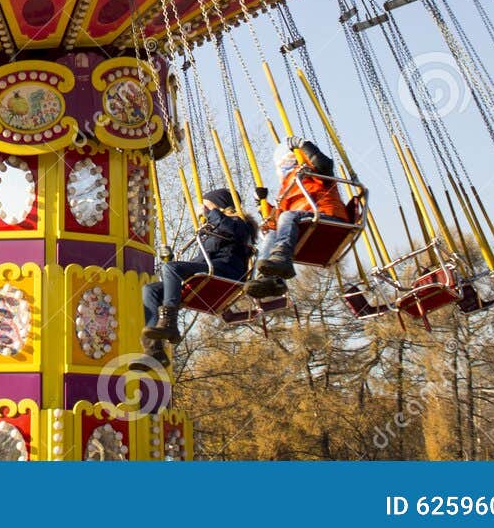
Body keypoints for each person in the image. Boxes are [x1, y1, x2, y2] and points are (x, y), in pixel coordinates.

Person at [139, 188, 255, 368]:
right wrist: (173, 264)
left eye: (207, 204)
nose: (203, 209)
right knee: (151, 289)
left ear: (219, 205)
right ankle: (155, 349)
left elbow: (230, 231)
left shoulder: (239, 223)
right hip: (211, 269)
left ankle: (169, 320)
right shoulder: (215, 227)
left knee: (171, 269)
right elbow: (201, 259)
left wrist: (212, 212)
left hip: (226, 271)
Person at [246, 137, 348, 298]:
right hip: (303, 223)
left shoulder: (311, 172)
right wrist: (262, 205)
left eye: (286, 161)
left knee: (288, 216)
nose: (283, 166)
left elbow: (325, 165)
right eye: (281, 164)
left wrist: (304, 145)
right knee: (272, 234)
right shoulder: (285, 190)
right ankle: (269, 278)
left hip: (326, 216)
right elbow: (276, 223)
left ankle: (282, 257)